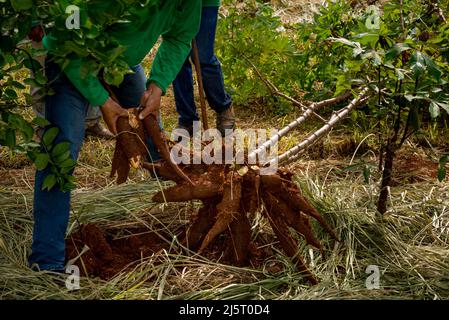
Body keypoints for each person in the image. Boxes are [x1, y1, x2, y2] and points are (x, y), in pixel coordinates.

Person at [29, 0, 201, 272]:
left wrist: (157, 86)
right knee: (61, 153)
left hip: (120, 63)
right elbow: (63, 40)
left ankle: (180, 207)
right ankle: (47, 259)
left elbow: (180, 37)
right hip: (69, 58)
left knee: (150, 128)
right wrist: (103, 101)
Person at [28, 25, 113, 139]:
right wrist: (33, 20)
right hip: (47, 20)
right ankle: (44, 128)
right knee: (42, 73)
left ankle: (91, 122)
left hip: (79, 18)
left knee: (89, 67)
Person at [173, 0, 234, 137]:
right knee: (177, 59)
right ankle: (188, 119)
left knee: (203, 57)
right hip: (175, 5)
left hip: (206, 3)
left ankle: (223, 107)